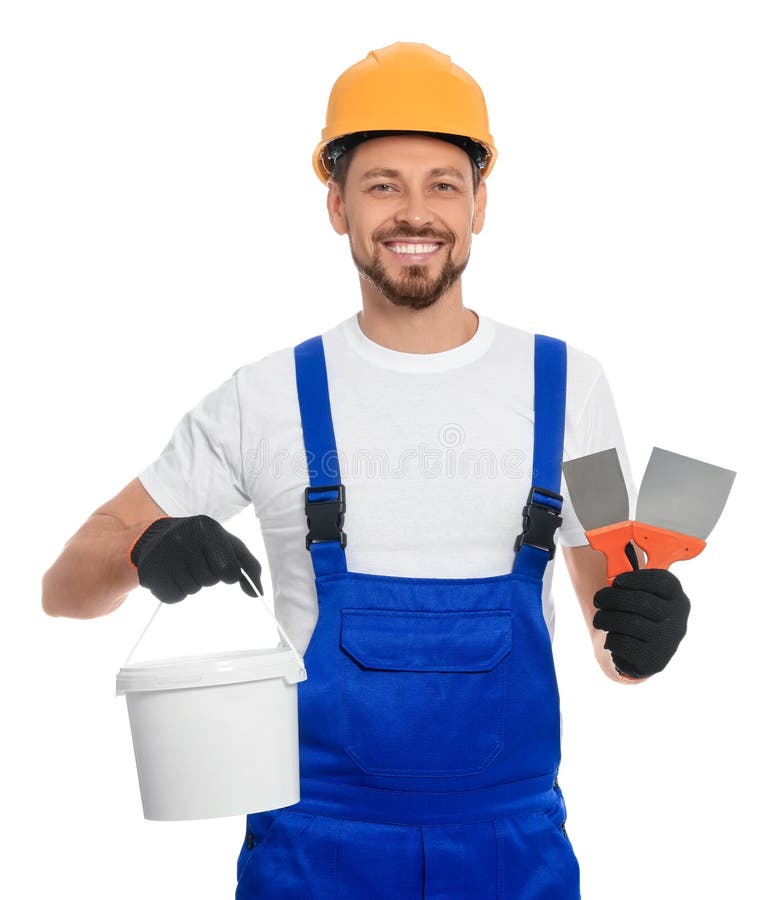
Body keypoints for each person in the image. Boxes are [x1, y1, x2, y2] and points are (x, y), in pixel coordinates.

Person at [42, 41, 691, 900]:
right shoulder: (264, 395)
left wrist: (650, 631)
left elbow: (617, 645)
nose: (412, 213)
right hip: (313, 852)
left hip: (513, 853)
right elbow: (62, 589)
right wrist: (143, 550)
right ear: (336, 204)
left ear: (480, 204)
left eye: (442, 183)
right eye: (382, 183)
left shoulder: (571, 386)